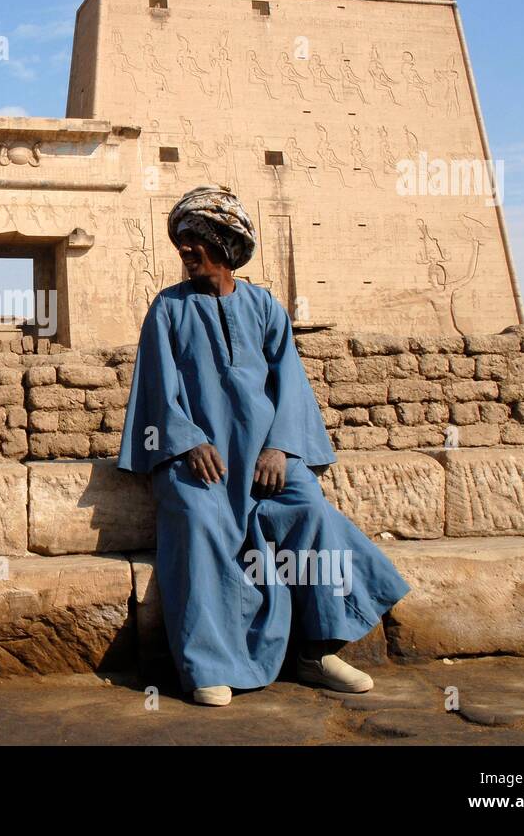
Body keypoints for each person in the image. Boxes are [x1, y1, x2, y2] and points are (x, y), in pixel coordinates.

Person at [117, 185, 411, 706]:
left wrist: (280, 447)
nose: (185, 251)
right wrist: (187, 442)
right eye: (180, 242)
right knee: (196, 519)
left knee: (309, 508)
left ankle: (316, 651)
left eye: (195, 240)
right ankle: (208, 663)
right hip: (199, 461)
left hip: (263, 457)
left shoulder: (264, 306)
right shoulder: (167, 309)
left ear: (225, 244)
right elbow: (158, 390)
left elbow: (290, 382)